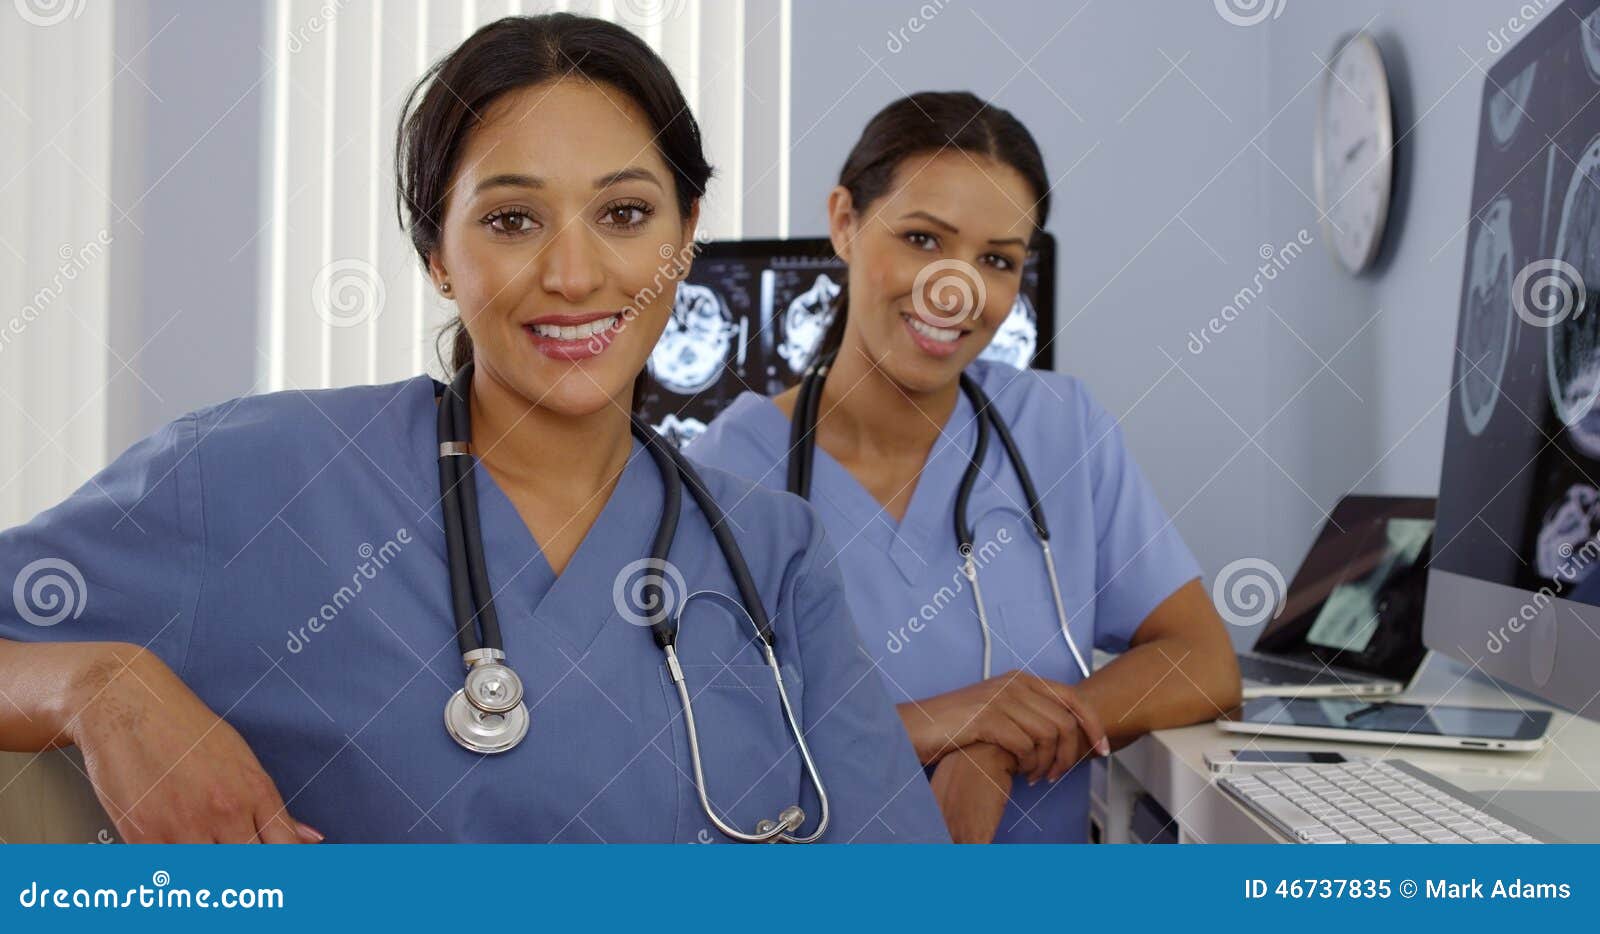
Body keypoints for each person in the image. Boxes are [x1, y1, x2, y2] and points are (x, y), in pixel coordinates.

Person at [0, 14, 948, 845]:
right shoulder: (259, 479)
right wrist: (97, 686)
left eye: (624, 213)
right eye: (511, 219)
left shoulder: (769, 551)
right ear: (435, 254)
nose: (574, 274)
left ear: (686, 234)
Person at [686, 91, 1241, 843]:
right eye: (921, 238)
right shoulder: (729, 471)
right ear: (845, 222)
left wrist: (994, 748)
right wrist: (945, 724)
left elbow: (1204, 662)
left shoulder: (1059, 430)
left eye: (997, 260)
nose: (957, 289)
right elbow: (699, 752)